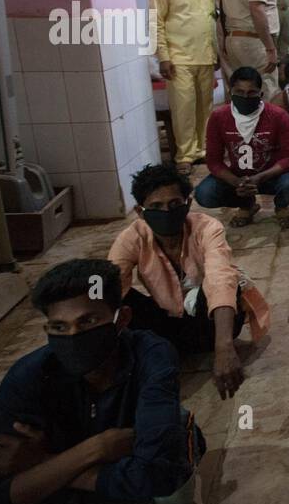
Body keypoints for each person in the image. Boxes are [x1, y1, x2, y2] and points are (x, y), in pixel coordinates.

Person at [0, 259, 236, 504]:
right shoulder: (26, 378)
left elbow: (156, 474)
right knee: (22, 451)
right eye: (59, 328)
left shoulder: (152, 355)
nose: (74, 337)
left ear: (121, 320)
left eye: (89, 320)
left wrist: (42, 463)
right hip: (105, 472)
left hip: (128, 465)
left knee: (175, 431)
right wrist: (95, 448)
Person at [109, 164, 271, 399]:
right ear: (140, 212)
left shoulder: (207, 228)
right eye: (156, 207)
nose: (166, 212)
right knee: (114, 296)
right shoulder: (131, 238)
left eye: (174, 204)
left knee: (230, 279)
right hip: (168, 324)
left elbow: (219, 279)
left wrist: (224, 347)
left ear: (188, 203)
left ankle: (191, 347)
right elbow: (110, 285)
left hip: (210, 324)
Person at [197, 66, 289, 229]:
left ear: (260, 94)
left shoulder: (277, 115)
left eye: (251, 93)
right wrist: (235, 181)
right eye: (239, 93)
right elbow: (213, 161)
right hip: (239, 177)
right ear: (230, 92)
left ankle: (281, 205)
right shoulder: (219, 117)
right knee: (205, 193)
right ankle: (246, 205)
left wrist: (261, 177)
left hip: (272, 176)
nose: (245, 97)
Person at [151, 0, 217, 176]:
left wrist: (215, 52)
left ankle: (204, 150)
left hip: (205, 56)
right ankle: (185, 155)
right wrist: (163, 57)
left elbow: (210, 19)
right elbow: (155, 21)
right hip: (178, 58)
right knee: (183, 109)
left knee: (205, 108)